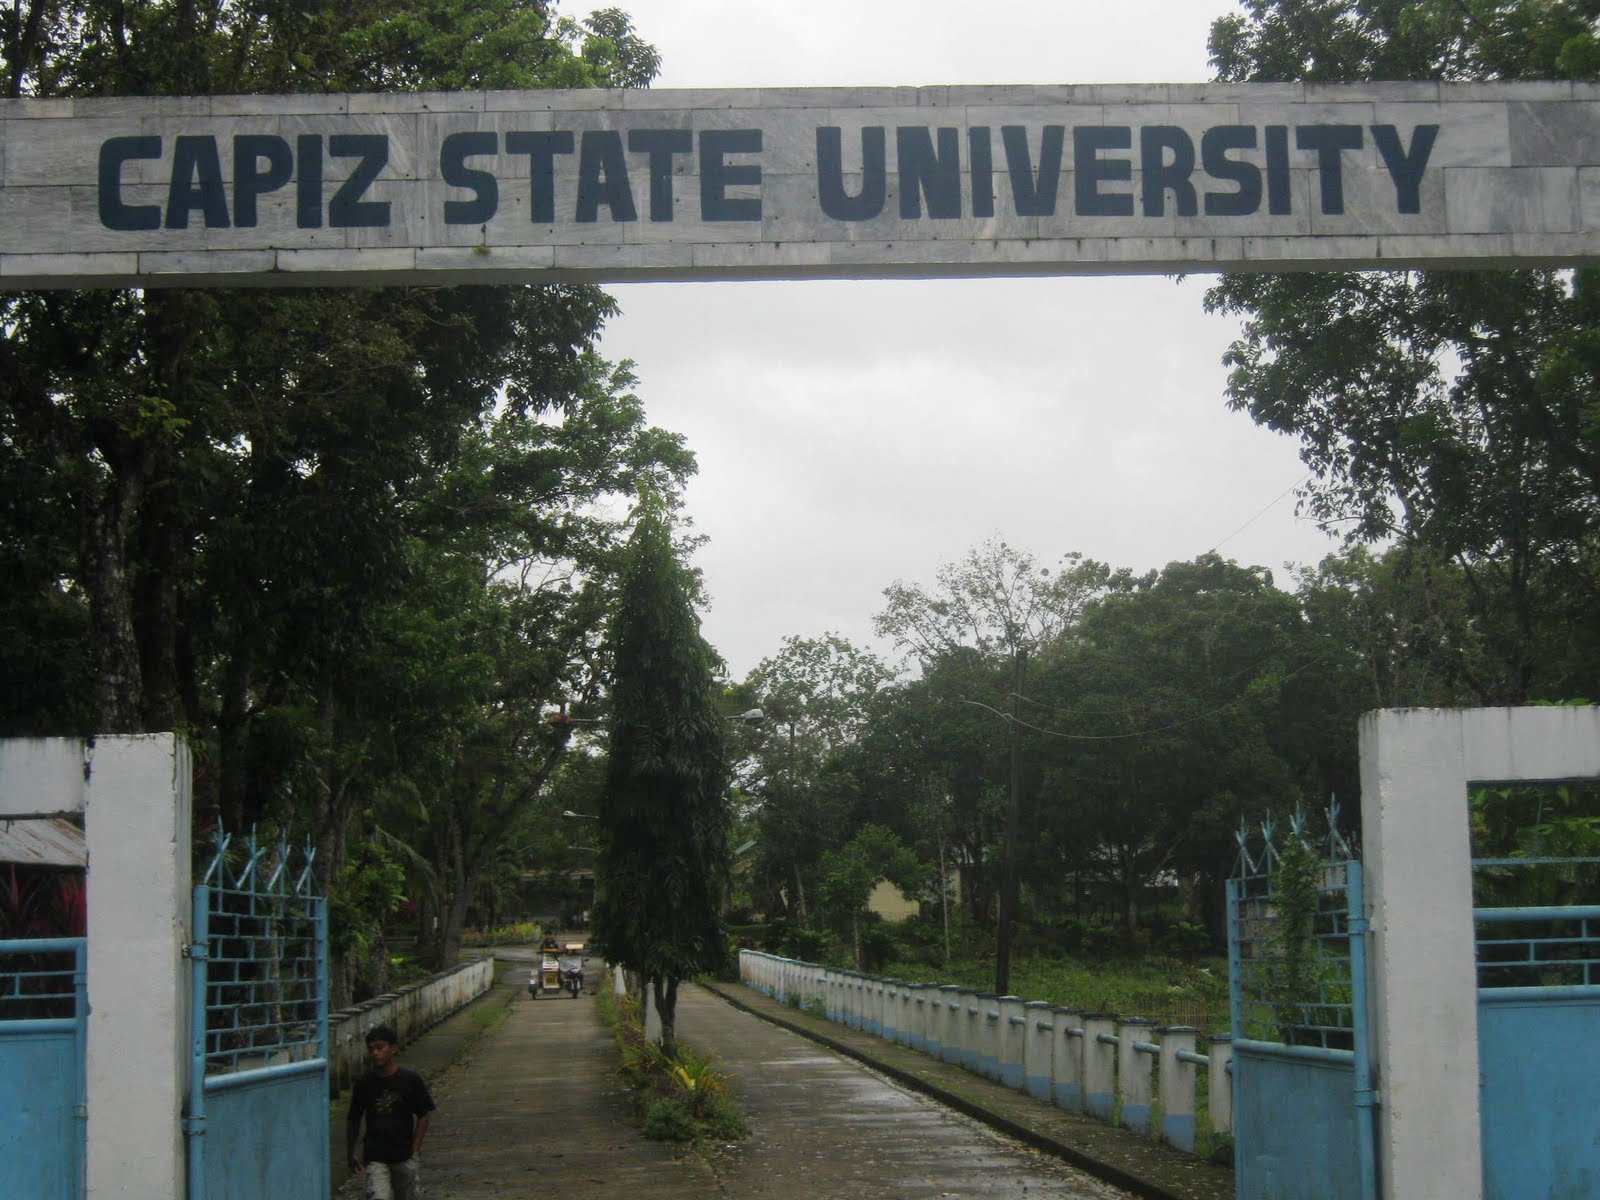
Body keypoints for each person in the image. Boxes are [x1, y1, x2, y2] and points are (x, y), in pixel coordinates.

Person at [347, 1024, 436, 1200]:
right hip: (375, 1155)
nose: (375, 1053)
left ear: (393, 1049)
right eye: (371, 1049)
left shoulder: (409, 1080)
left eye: (380, 1048)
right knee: (379, 1195)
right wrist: (351, 1151)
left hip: (404, 1153)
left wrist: (415, 1148)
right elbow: (354, 1119)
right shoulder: (364, 1083)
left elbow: (424, 1115)